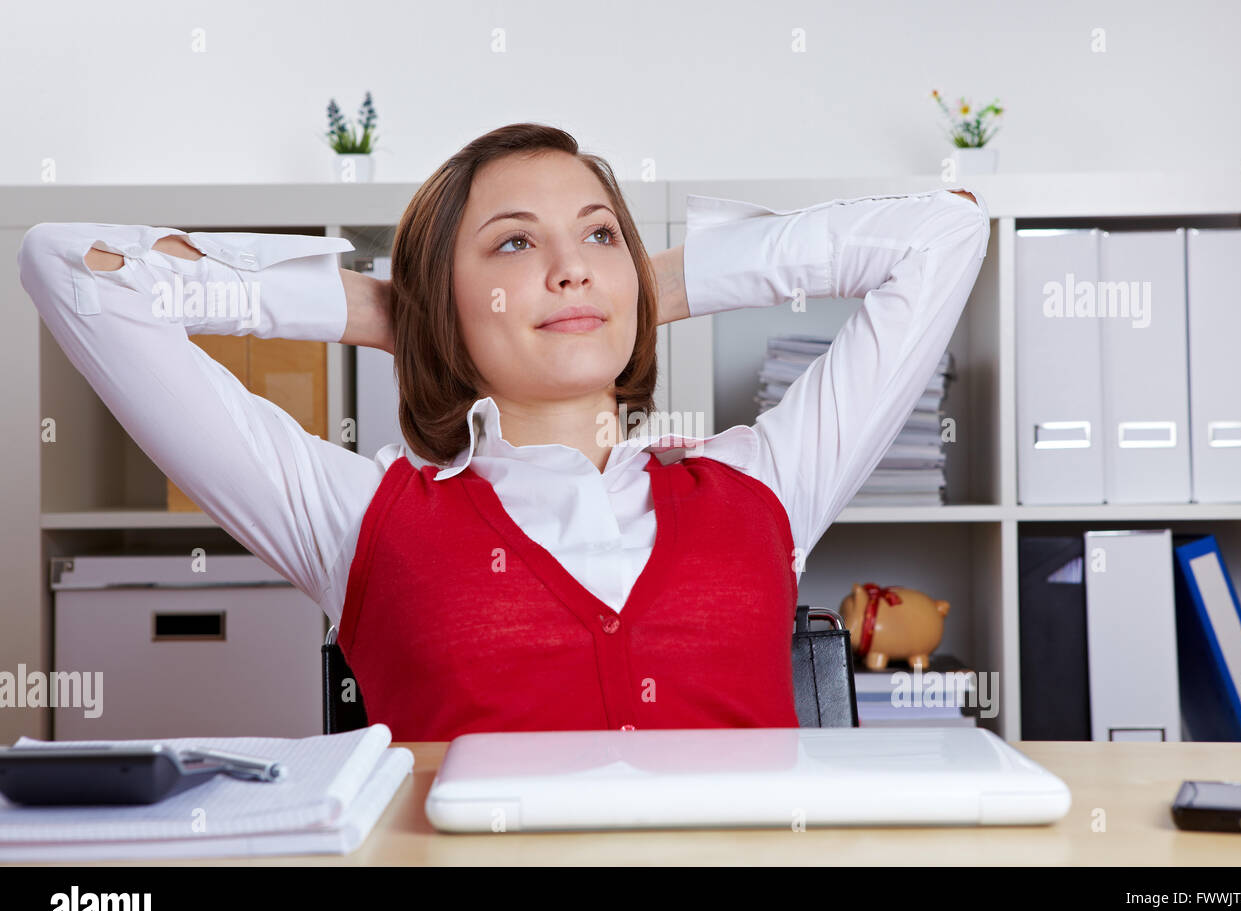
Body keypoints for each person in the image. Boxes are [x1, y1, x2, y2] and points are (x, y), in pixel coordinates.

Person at [18, 122, 989, 741]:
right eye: (515, 242)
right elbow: (67, 267)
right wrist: (384, 307)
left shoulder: (766, 482)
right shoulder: (359, 514)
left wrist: (643, 292)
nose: (571, 267)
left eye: (598, 234)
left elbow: (943, 233)